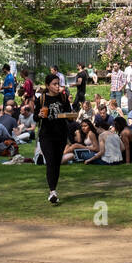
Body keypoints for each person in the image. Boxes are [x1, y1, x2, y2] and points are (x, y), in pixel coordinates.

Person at [35, 75, 75, 204]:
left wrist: (70, 116)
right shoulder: (42, 98)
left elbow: (69, 113)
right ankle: (52, 191)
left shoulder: (63, 97)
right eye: (54, 84)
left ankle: (54, 189)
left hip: (61, 134)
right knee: (51, 161)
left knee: (57, 163)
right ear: (48, 86)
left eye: (58, 83)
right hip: (46, 135)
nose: (57, 86)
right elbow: (35, 117)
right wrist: (39, 115)